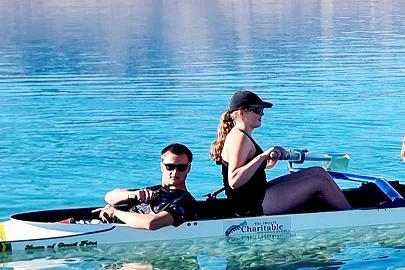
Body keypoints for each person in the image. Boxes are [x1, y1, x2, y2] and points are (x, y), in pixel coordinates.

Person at [210, 90, 351, 216]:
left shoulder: (242, 135)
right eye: (257, 110)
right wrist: (263, 156)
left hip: (257, 194)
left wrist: (268, 161)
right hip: (251, 206)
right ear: (242, 113)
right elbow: (234, 180)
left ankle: (346, 211)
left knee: (319, 172)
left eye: (262, 111)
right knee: (320, 182)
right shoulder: (239, 138)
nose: (262, 114)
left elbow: (249, 170)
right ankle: (353, 217)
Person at [97, 143, 199, 229]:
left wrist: (115, 212)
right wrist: (133, 194)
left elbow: (151, 223)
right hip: (107, 225)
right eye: (170, 167)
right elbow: (109, 197)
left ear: (188, 169)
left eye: (181, 167)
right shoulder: (152, 190)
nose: (175, 172)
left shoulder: (186, 202)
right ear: (162, 167)